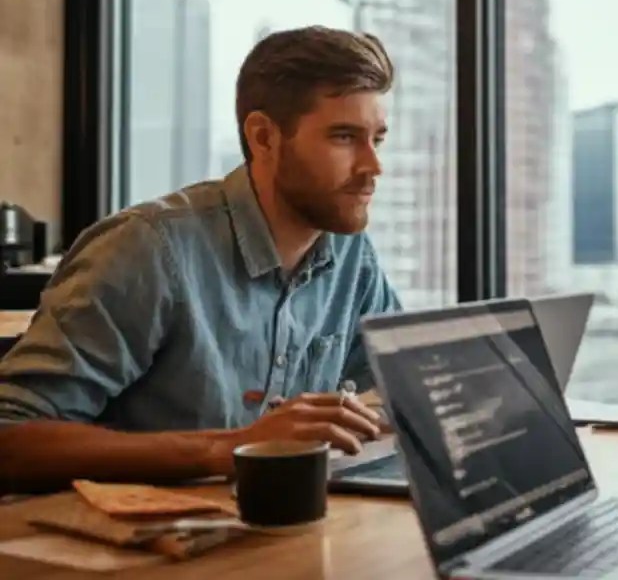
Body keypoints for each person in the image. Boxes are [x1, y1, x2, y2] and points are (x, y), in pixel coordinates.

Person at [0, 26, 402, 493]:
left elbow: (405, 391)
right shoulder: (147, 249)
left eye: (379, 138)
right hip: (131, 553)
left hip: (261, 536)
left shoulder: (350, 253)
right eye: (344, 137)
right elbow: (11, 439)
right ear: (264, 138)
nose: (373, 167)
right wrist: (227, 447)